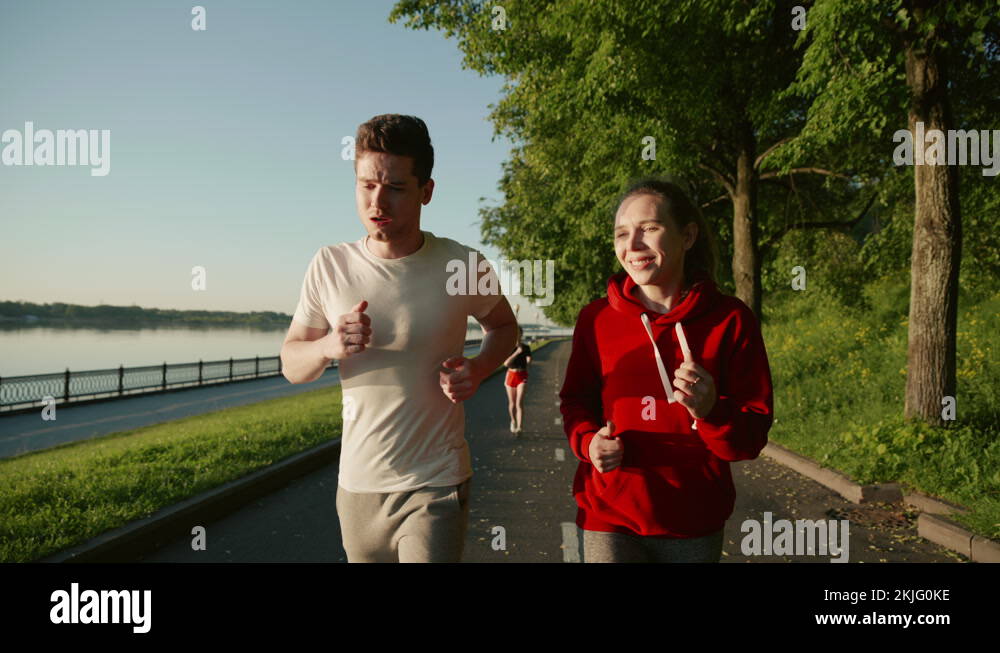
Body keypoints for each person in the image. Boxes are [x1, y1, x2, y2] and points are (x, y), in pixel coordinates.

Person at [280, 114, 518, 563]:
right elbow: (292, 365)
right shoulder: (329, 265)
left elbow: (505, 328)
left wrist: (480, 368)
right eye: (366, 184)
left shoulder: (463, 265)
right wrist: (330, 345)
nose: (377, 201)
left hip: (435, 479)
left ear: (426, 191)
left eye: (395, 187)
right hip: (357, 487)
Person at [558, 178, 774, 563]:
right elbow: (575, 402)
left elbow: (750, 438)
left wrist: (712, 410)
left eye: (650, 229)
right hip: (609, 515)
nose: (633, 245)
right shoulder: (596, 319)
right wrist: (589, 442)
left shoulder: (731, 320)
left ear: (687, 235)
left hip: (693, 521)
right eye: (622, 233)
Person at [501, 329, 532, 435]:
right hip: (511, 375)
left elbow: (529, 360)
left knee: (519, 402)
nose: (517, 335)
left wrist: (528, 360)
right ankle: (513, 420)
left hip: (522, 375)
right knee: (512, 403)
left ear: (521, 334)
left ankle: (519, 427)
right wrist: (517, 353)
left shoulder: (526, 347)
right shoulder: (508, 348)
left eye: (519, 333)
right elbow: (505, 363)